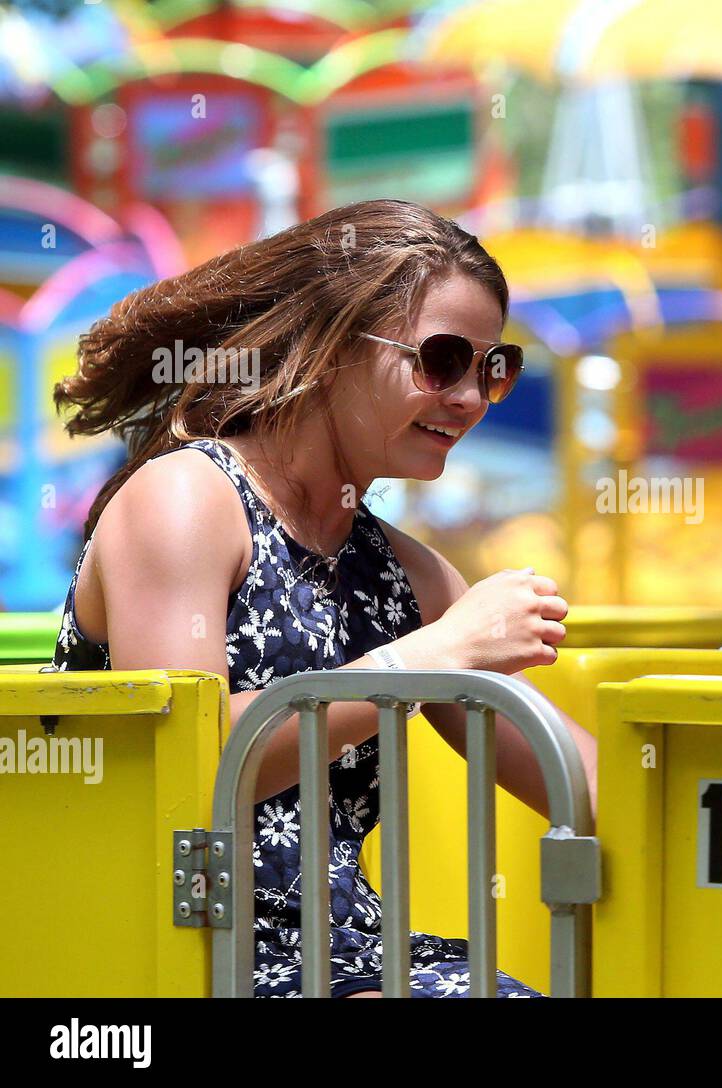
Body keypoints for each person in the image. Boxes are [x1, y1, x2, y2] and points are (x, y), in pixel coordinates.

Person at [50, 199, 596, 997]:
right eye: (442, 360)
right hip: (169, 949)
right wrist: (424, 661)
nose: (472, 396)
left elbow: (585, 785)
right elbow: (184, 776)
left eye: (493, 368)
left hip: (342, 955)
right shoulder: (187, 501)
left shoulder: (404, 575)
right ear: (334, 346)